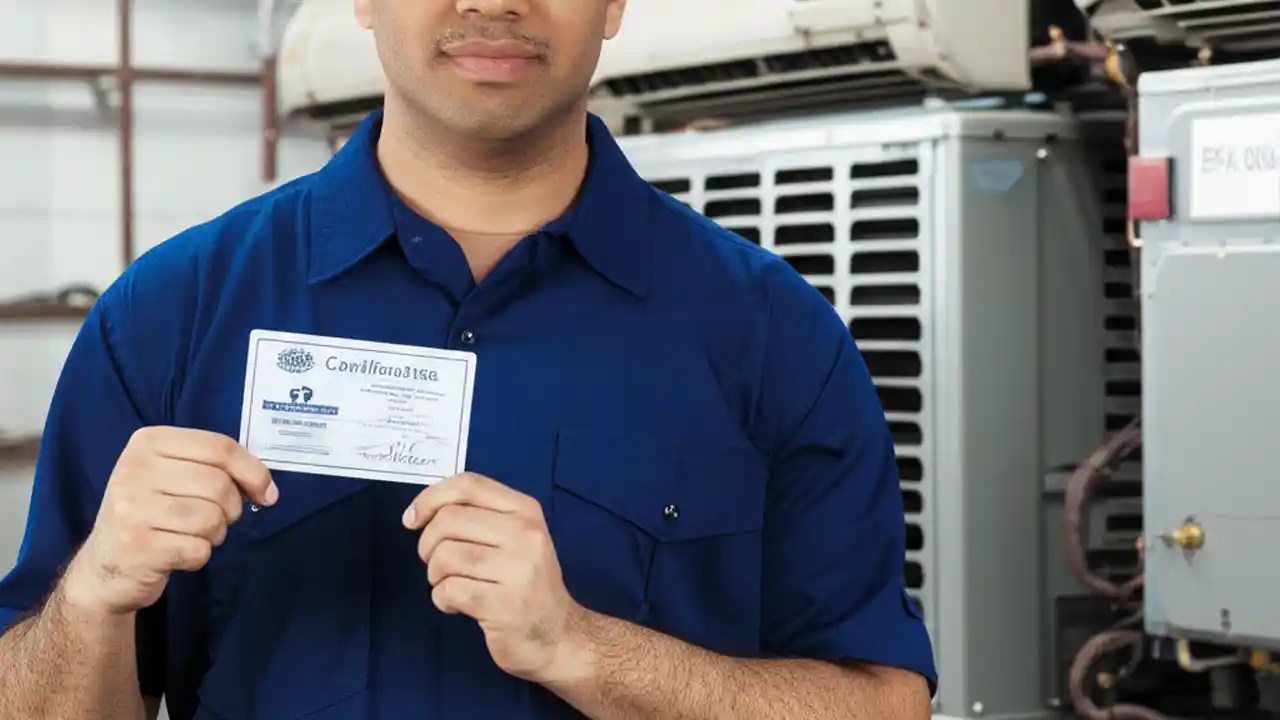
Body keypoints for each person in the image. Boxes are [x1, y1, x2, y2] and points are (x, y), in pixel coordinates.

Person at [0, 0, 936, 717]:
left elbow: (882, 701)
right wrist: (92, 598)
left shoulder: (772, 334)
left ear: (615, 5)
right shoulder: (172, 314)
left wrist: (583, 648)